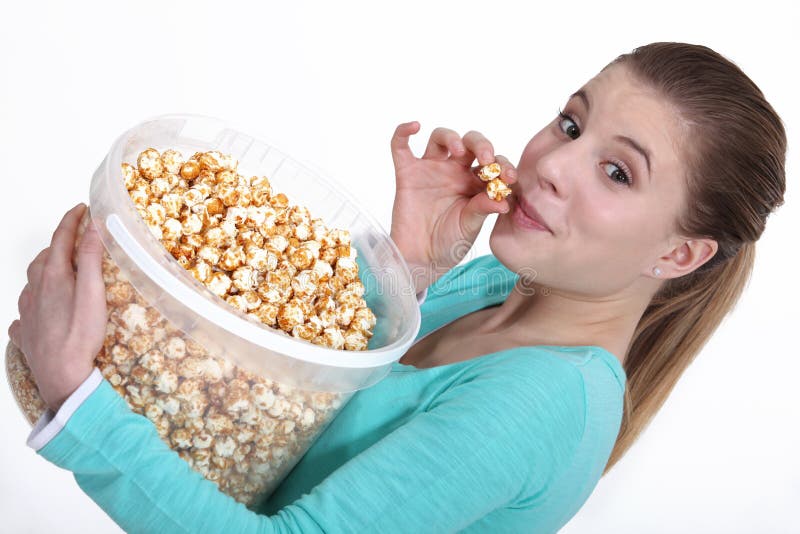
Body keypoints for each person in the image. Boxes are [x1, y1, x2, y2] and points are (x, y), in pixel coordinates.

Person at [9, 42, 786, 533]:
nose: (551, 164)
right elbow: (289, 407)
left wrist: (78, 399)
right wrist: (406, 269)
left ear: (679, 254)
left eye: (617, 172)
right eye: (571, 125)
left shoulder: (546, 402)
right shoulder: (501, 282)